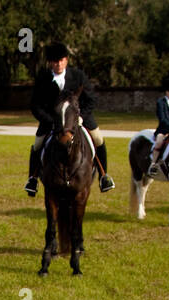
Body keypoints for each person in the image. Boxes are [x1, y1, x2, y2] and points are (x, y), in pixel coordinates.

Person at [25, 42, 114, 196]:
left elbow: (91, 99)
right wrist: (50, 121)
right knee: (38, 144)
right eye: (54, 61)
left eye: (61, 60)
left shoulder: (78, 76)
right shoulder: (43, 78)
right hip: (51, 121)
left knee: (98, 139)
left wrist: (81, 118)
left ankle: (104, 176)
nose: (58, 64)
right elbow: (35, 105)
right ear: (50, 62)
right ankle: (32, 179)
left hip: (79, 119)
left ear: (66, 60)